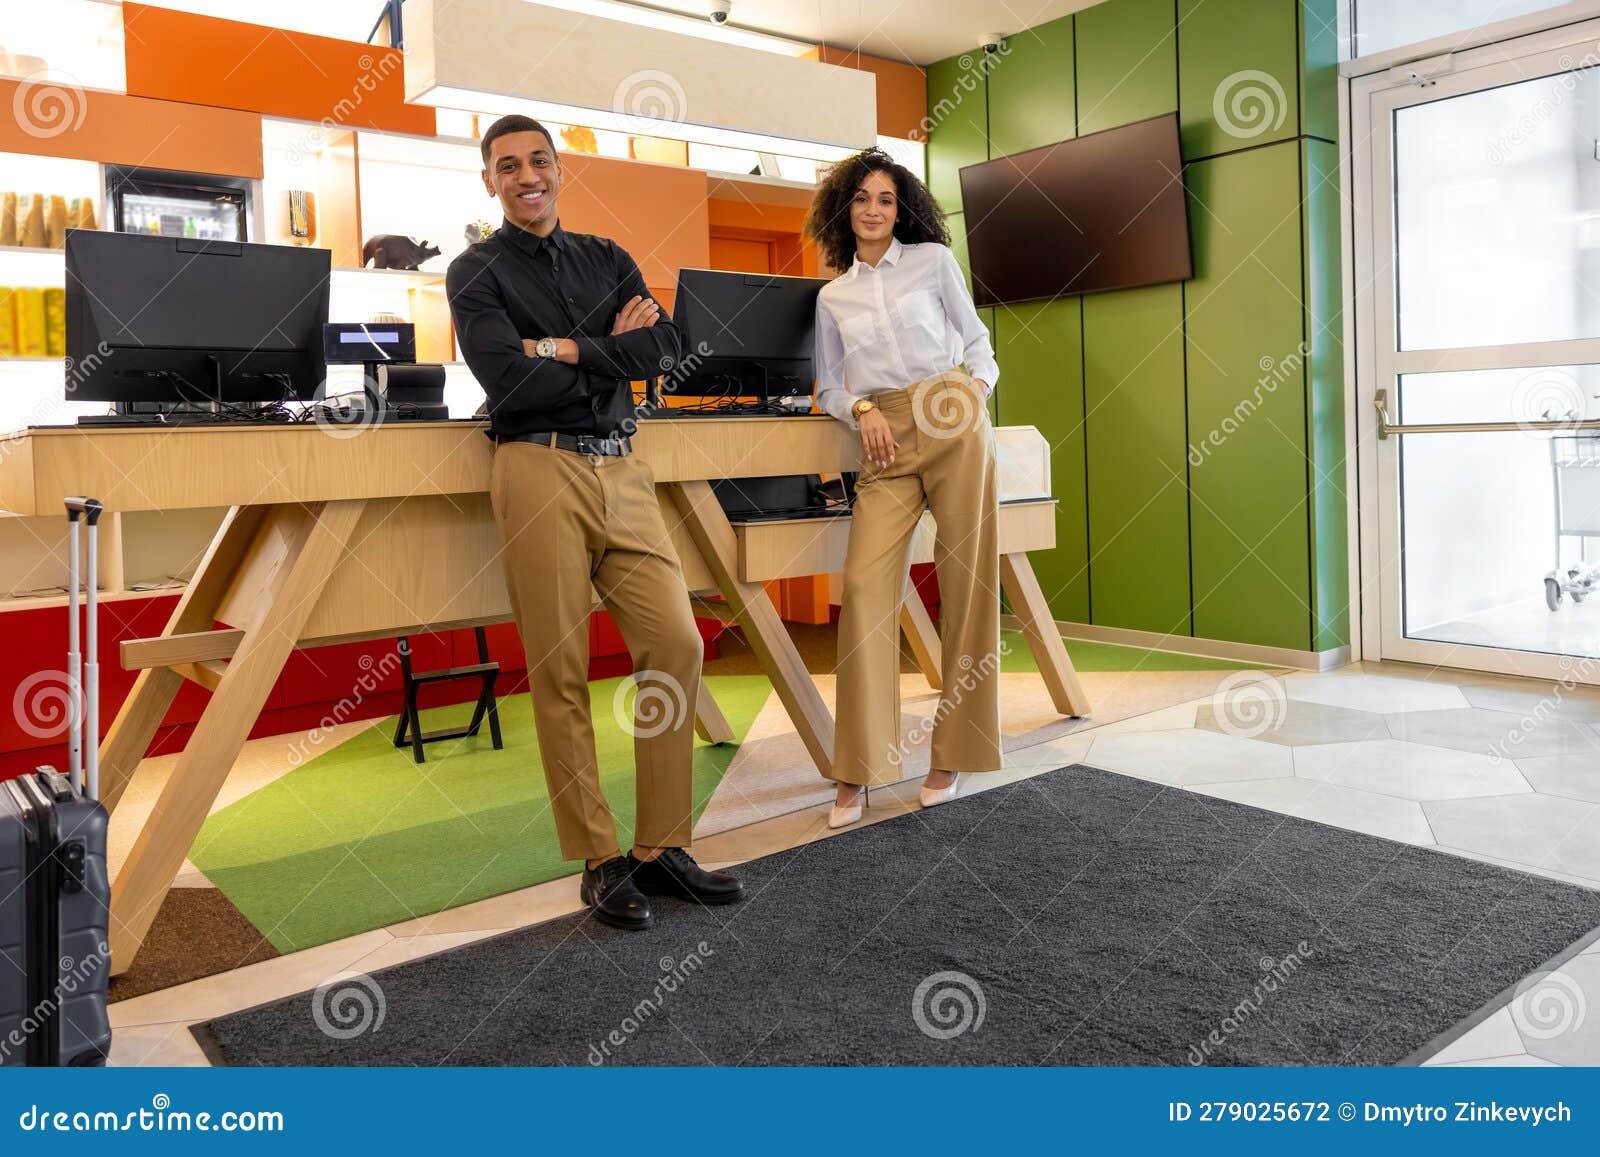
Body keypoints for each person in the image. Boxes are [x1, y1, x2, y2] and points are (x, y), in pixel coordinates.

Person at [446, 114, 743, 929]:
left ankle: (661, 845)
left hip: (624, 463)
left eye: (538, 160)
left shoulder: (607, 257)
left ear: (558, 169)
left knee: (677, 641)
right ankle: (599, 855)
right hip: (537, 464)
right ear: (490, 182)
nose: (526, 175)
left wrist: (563, 351)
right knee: (562, 665)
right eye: (508, 166)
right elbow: (507, 382)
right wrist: (602, 350)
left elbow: (666, 351)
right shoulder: (475, 271)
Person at [804, 148, 1003, 829]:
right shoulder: (833, 296)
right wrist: (860, 412)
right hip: (884, 427)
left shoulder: (932, 263)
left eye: (885, 199)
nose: (873, 210)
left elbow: (979, 345)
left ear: (903, 208)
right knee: (862, 587)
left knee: (966, 576)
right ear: (844, 210)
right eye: (861, 198)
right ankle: (857, 765)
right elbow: (830, 384)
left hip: (950, 411)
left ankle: (957, 751)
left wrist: (970, 395)